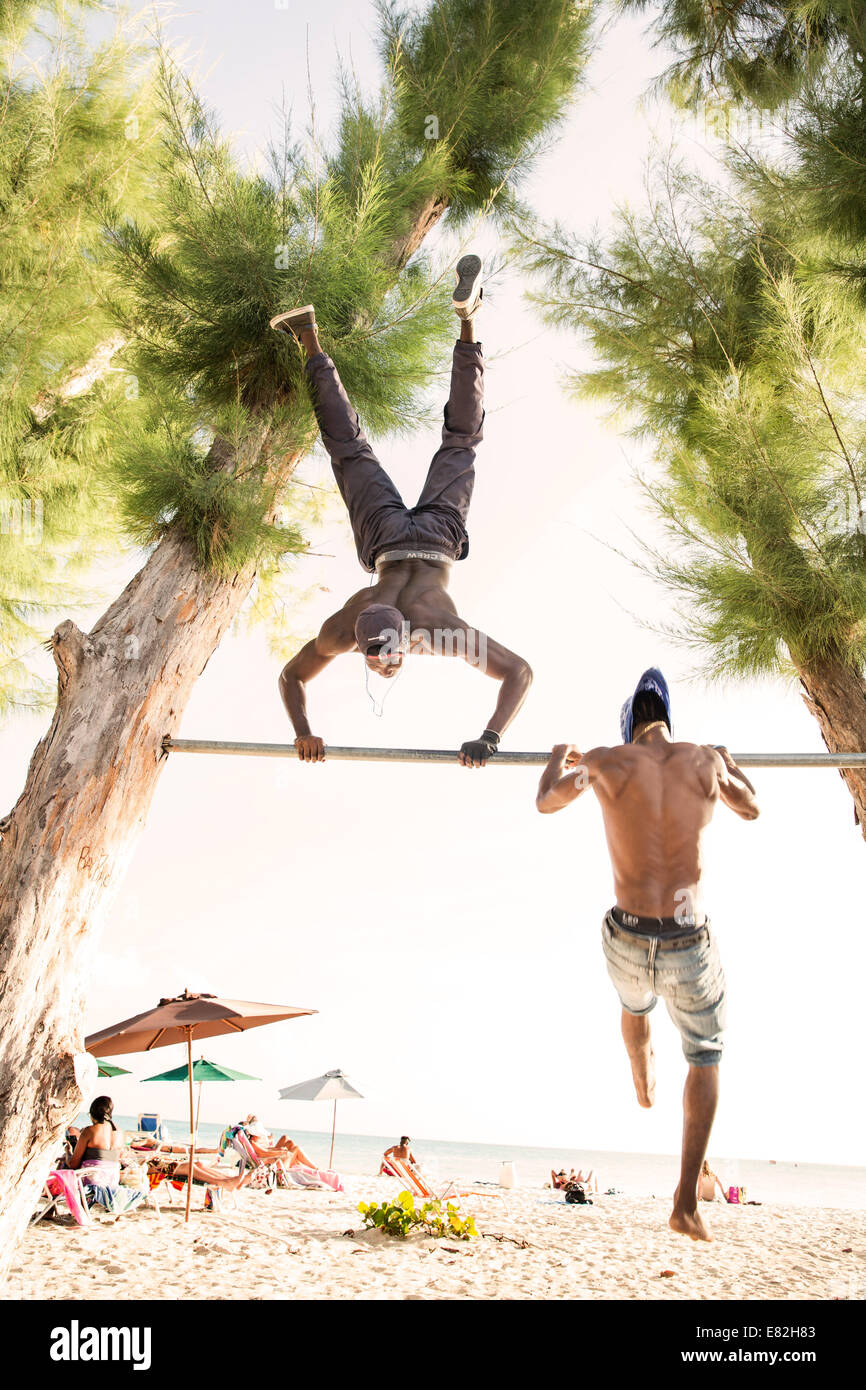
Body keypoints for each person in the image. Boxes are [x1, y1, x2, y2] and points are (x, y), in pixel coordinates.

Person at [271, 255, 532, 768]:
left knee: (461, 442)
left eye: (382, 658)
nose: (387, 665)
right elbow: (291, 677)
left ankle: (462, 322)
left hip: (418, 539)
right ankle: (309, 335)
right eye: (386, 658)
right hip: (394, 539)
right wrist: (488, 737)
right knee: (350, 450)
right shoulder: (358, 629)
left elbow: (519, 671)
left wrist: (492, 736)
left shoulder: (432, 634)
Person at [536, 667, 760, 1242]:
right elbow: (751, 807)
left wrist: (558, 757)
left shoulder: (605, 762)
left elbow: (546, 801)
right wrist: (730, 764)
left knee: (633, 1004)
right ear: (667, 720)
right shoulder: (704, 760)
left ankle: (643, 1080)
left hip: (629, 938)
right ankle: (685, 1202)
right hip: (688, 941)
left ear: (627, 725)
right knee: (705, 1056)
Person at [243, 1118, 317, 1170]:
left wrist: (280, 1150)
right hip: (276, 1166)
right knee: (297, 1148)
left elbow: (266, 1151)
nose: (261, 1136)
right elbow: (265, 1153)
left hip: (275, 1163)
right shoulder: (253, 1144)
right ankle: (315, 1168)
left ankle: (300, 1163)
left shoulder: (253, 1143)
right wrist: (282, 1152)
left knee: (290, 1143)